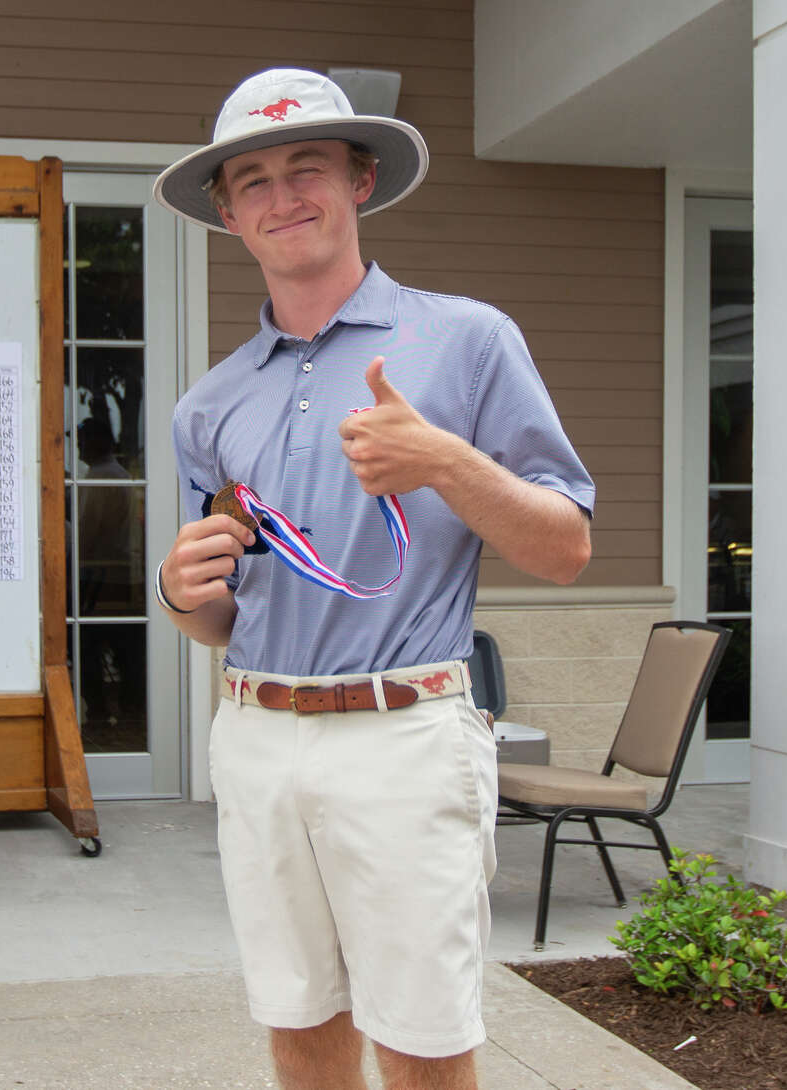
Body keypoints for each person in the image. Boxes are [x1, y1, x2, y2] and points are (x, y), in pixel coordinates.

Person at [151, 68, 594, 1090]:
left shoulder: (465, 339)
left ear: (359, 180)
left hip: (406, 736)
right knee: (299, 1026)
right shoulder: (211, 404)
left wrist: (443, 460)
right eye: (252, 179)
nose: (282, 195)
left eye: (307, 166)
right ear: (226, 213)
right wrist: (184, 592)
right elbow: (228, 614)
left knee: (423, 1042)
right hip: (258, 737)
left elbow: (565, 546)